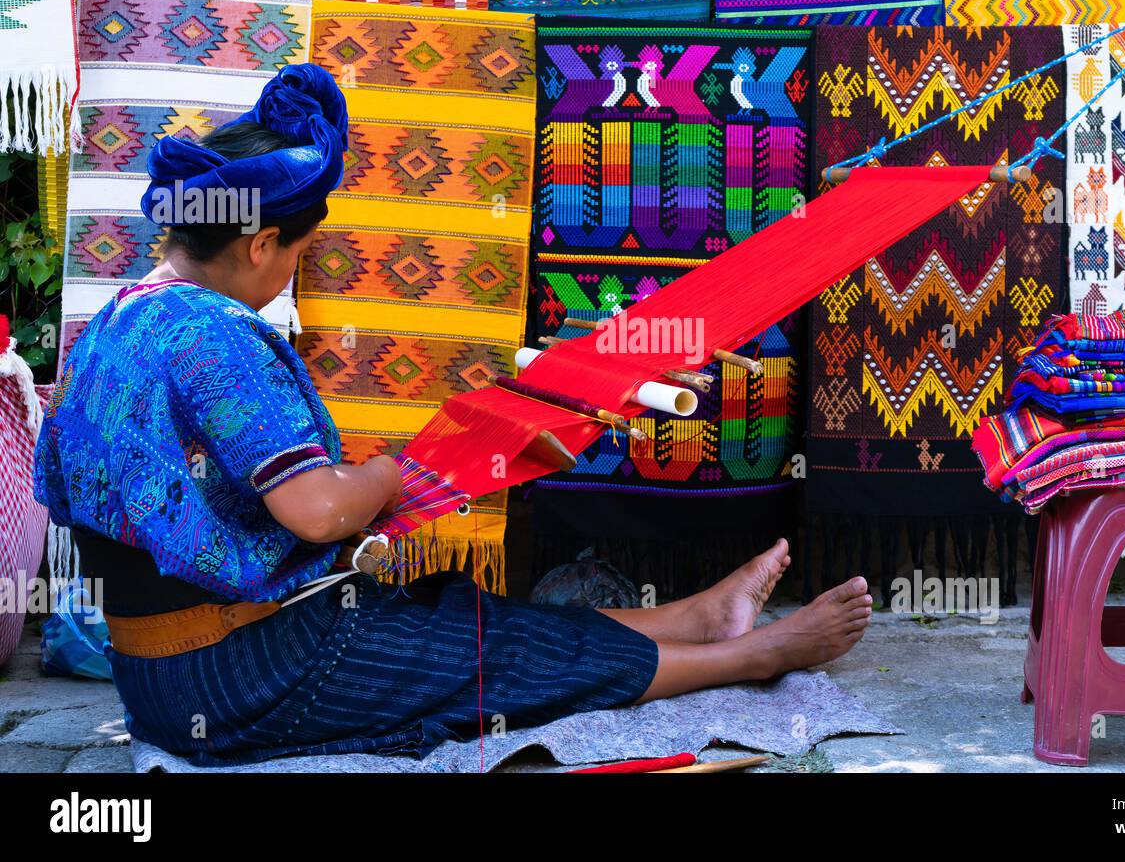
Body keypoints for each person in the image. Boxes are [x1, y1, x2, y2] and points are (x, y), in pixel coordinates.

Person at [33, 63, 872, 764]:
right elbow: (321, 511)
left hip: (161, 680)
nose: (292, 270)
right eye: (296, 252)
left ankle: (691, 618)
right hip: (243, 678)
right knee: (493, 657)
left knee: (452, 615)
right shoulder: (212, 336)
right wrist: (388, 472)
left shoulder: (115, 323)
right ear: (259, 244)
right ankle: (758, 654)